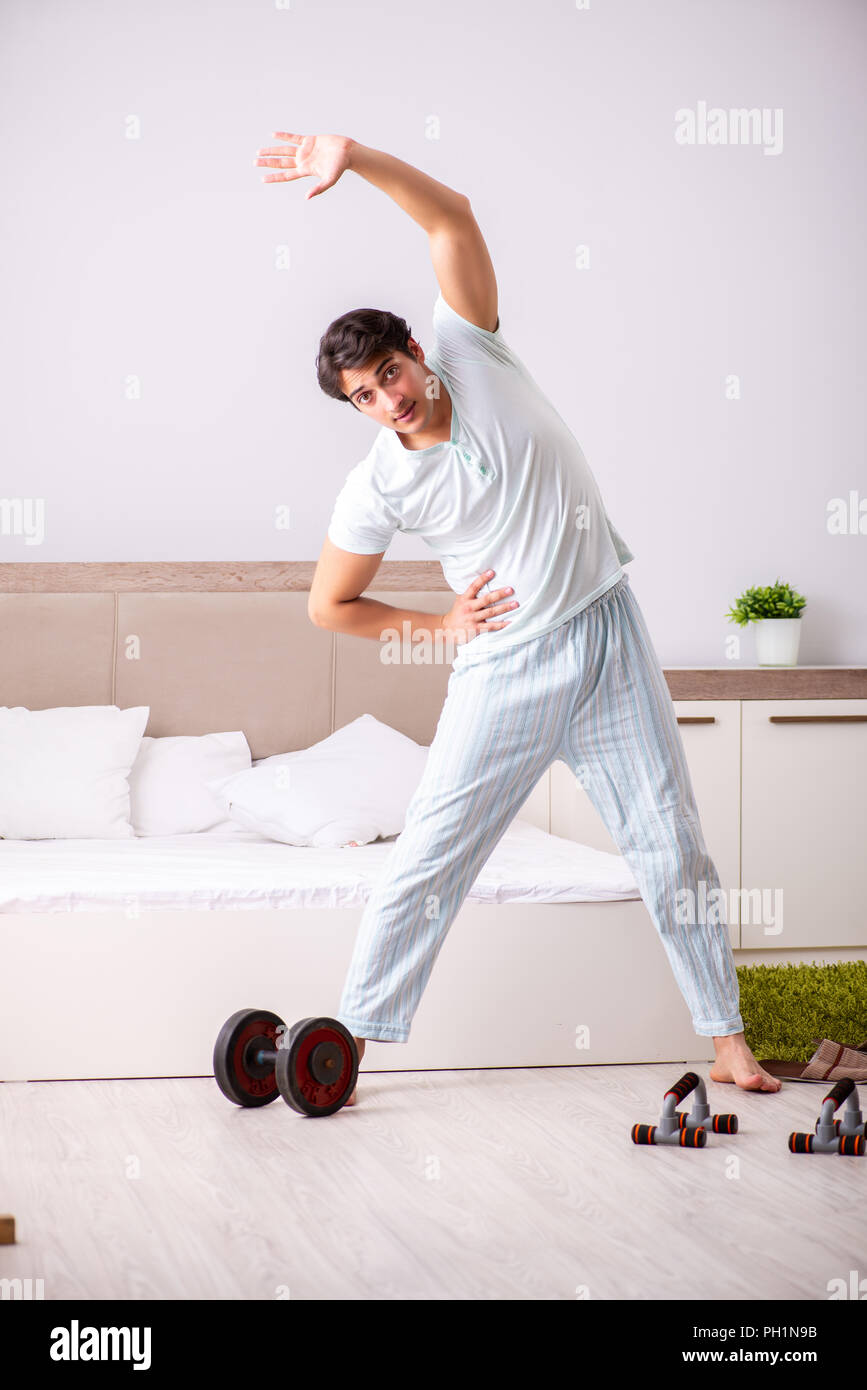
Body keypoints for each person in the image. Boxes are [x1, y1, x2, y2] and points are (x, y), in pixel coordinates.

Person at [255, 131, 783, 1104]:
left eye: (389, 376)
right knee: (430, 857)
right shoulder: (378, 484)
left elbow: (451, 216)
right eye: (363, 398)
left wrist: (354, 156)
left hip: (610, 635)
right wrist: (441, 628)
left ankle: (729, 1043)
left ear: (416, 349)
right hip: (508, 669)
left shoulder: (473, 347)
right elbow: (329, 605)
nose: (387, 403)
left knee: (674, 841)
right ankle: (349, 1043)